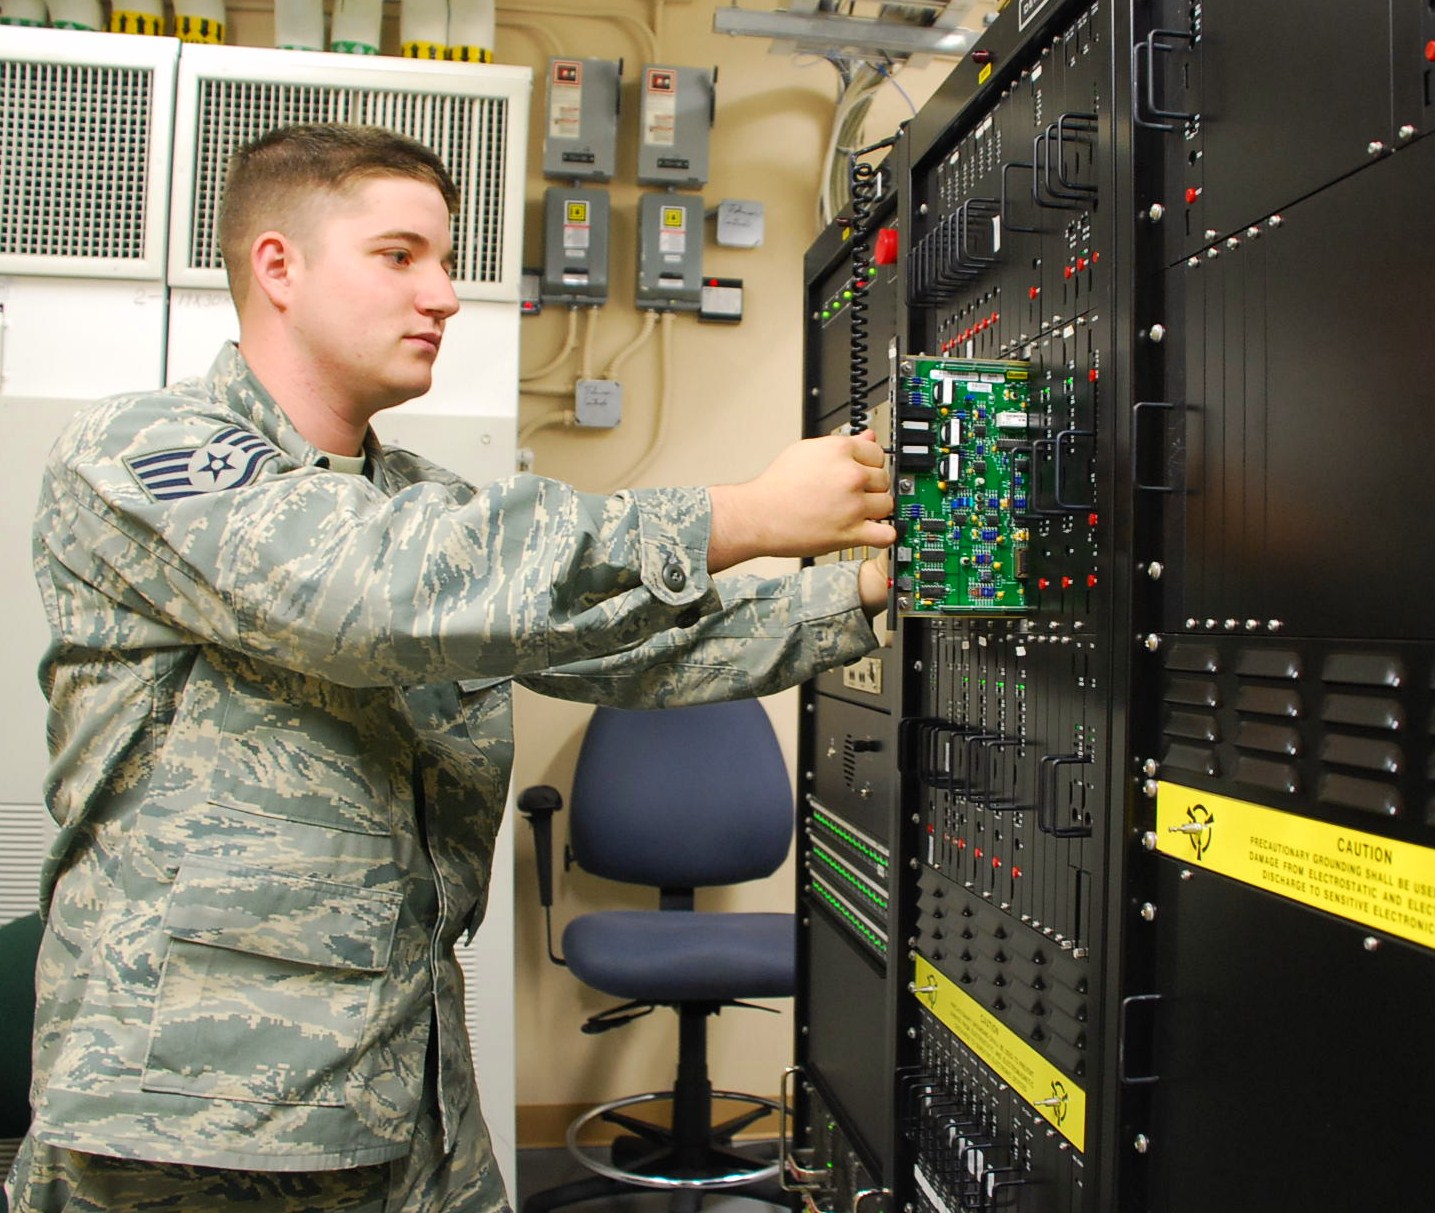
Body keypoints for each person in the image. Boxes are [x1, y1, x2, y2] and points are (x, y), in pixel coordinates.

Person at [7, 123, 893, 1213]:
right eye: (398, 256)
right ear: (277, 266)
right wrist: (742, 514)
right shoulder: (145, 448)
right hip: (201, 1111)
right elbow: (367, 593)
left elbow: (625, 636)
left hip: (402, 1083)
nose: (441, 296)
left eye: (446, 260)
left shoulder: (418, 500)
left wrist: (858, 593)